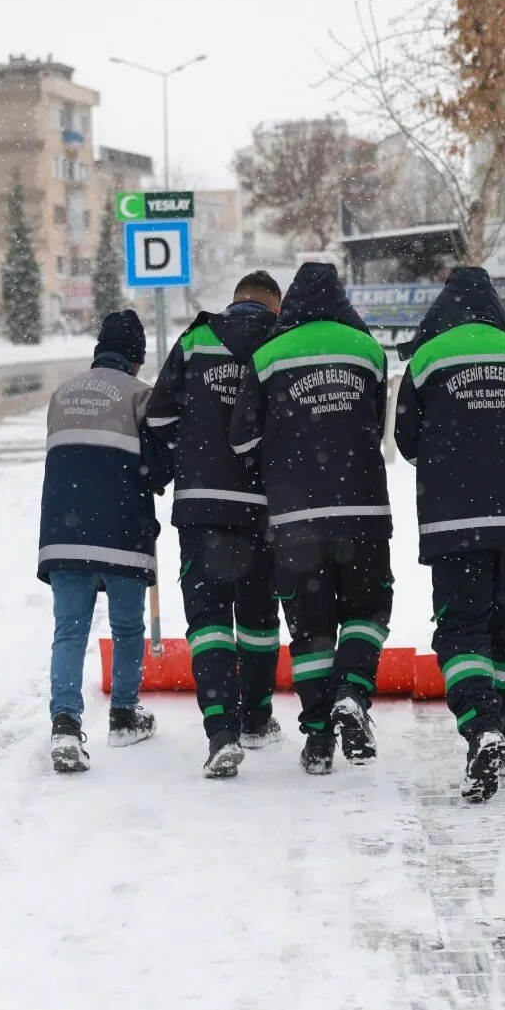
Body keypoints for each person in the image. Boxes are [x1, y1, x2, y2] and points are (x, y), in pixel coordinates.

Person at [394, 267, 505, 803]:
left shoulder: (426, 360)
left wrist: (456, 461)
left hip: (456, 523)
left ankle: (481, 726)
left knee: (462, 630)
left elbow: (407, 442)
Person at [230, 262, 393, 776]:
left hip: (296, 518)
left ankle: (319, 739)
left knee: (310, 629)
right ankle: (351, 691)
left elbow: (242, 439)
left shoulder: (267, 355)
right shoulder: (368, 351)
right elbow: (376, 419)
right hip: (363, 510)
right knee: (367, 609)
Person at [147, 271, 284, 779]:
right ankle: (257, 717)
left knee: (207, 622)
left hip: (201, 506)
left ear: (235, 301)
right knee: (257, 619)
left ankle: (220, 732)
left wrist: (196, 439)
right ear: (274, 305)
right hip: (263, 506)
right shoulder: (279, 341)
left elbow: (158, 420)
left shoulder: (195, 339)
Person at [37, 310, 171, 772]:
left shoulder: (61, 393)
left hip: (63, 535)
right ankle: (123, 714)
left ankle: (65, 727)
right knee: (127, 627)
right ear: (136, 359)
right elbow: (157, 470)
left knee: (69, 631)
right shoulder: (140, 395)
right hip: (121, 532)